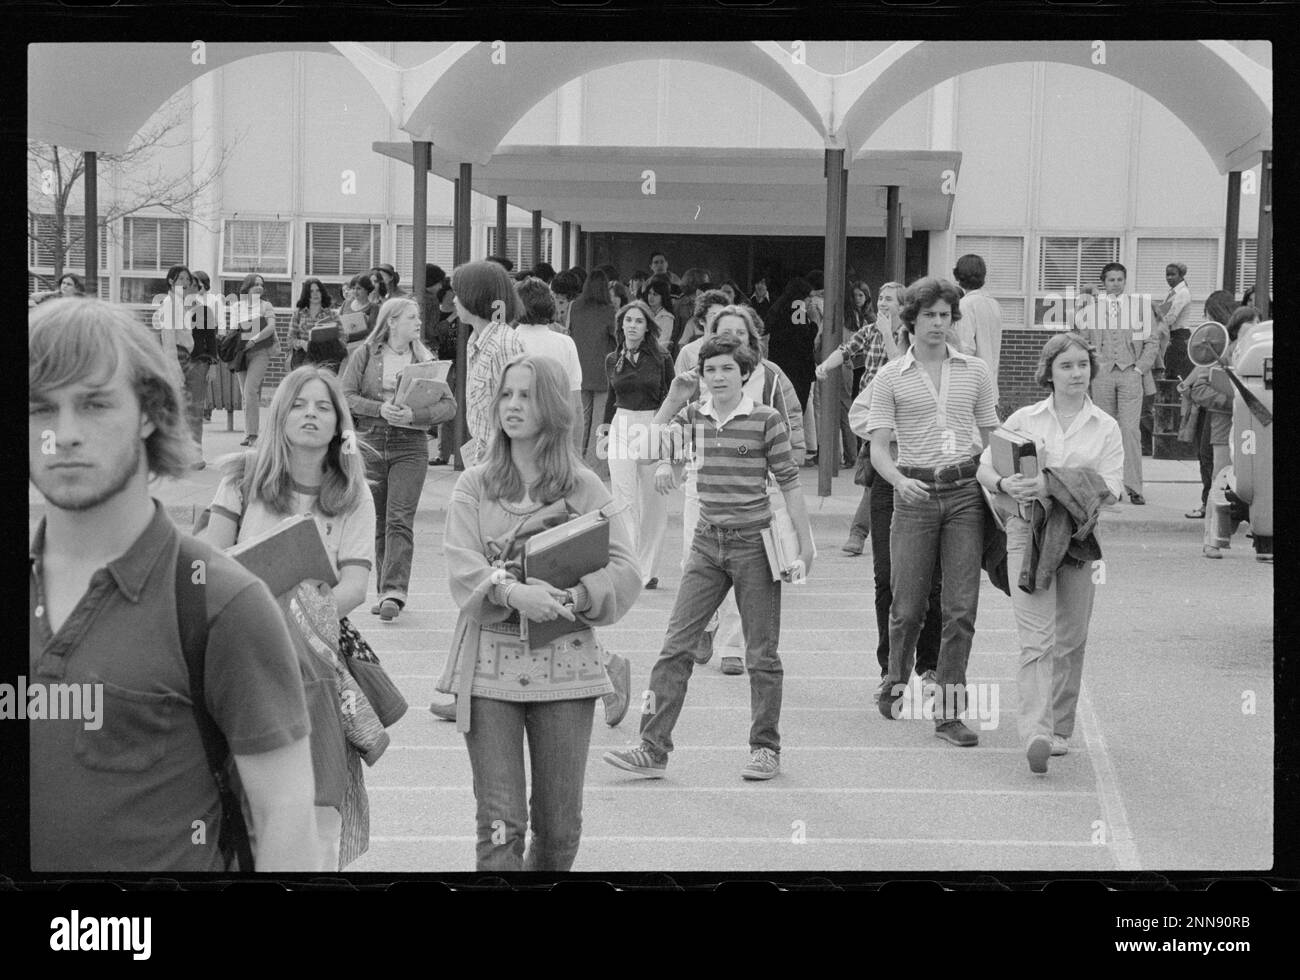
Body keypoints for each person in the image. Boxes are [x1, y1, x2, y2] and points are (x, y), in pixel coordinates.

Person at [29, 298, 317, 871]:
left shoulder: (219, 602)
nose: (64, 434)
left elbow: (286, 817)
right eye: (40, 408)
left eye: (94, 404)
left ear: (148, 411)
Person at [436, 354, 640, 869]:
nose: (512, 405)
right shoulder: (474, 483)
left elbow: (627, 570)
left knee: (559, 830)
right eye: (506, 395)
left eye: (525, 395)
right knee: (500, 826)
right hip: (488, 672)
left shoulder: (584, 485)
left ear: (551, 404)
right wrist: (509, 591)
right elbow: (461, 564)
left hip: (567, 667)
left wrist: (573, 598)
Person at [603, 334, 814, 781]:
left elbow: (791, 483)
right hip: (706, 543)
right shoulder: (693, 417)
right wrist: (673, 401)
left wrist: (806, 544)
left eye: (727, 369)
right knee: (675, 648)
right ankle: (652, 747)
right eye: (710, 370)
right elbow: (639, 451)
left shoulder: (766, 420)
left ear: (746, 373)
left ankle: (765, 748)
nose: (718, 377)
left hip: (755, 545)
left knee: (761, 654)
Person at [201, 365, 381, 867]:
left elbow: (355, 586)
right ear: (280, 415)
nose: (310, 415)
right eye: (299, 404)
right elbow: (209, 560)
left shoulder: (354, 492)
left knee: (316, 793)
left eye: (323, 407)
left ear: (339, 424)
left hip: (314, 658)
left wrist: (304, 614)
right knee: (230, 787)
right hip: (240, 650)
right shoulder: (243, 477)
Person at [976, 333, 1122, 774]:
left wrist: (1054, 483)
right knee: (1036, 640)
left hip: (1077, 538)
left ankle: (1059, 728)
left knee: (1071, 639)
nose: (1077, 373)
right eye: (1067, 366)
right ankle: (1036, 732)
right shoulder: (1025, 418)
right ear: (1050, 373)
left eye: (1082, 365)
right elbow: (985, 466)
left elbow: (1112, 490)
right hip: (1027, 534)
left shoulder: (1106, 427)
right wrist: (1005, 485)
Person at [868, 277, 999, 747]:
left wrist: (1005, 482)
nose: (939, 324)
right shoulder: (890, 377)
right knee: (907, 607)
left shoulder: (975, 371)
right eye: (930, 316)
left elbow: (992, 433)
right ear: (912, 320)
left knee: (960, 608)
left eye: (946, 316)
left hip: (964, 493)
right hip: (914, 494)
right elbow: (879, 447)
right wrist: (900, 480)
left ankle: (948, 713)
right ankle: (895, 680)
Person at [660, 304, 805, 675]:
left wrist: (788, 465)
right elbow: (662, 439)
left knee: (752, 573)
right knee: (696, 560)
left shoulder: (770, 377)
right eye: (723, 332)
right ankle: (706, 624)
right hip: (704, 480)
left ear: (751, 339)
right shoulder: (702, 376)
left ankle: (734, 647)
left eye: (740, 333)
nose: (732, 340)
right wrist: (668, 461)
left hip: (760, 487)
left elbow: (792, 424)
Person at [341, 296, 456, 621]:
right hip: (372, 442)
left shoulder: (426, 359)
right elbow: (346, 395)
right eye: (411, 317)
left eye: (418, 317)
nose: (418, 323)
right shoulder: (365, 353)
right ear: (391, 322)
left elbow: (449, 407)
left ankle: (394, 591)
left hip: (410, 445)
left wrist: (414, 414)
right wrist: (380, 408)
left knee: (399, 519)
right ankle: (384, 590)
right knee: (378, 520)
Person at [816, 280, 898, 555]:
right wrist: (825, 365)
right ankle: (863, 534)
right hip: (872, 412)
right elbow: (846, 349)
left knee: (878, 475)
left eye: (890, 299)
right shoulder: (870, 330)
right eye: (882, 298)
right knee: (877, 474)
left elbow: (900, 366)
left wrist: (888, 333)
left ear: (904, 305)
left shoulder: (909, 334)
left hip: (898, 414)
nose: (884, 303)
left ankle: (859, 534)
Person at [601, 300, 674, 590]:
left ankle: (648, 568)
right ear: (622, 325)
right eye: (628, 320)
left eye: (638, 321)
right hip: (621, 423)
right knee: (622, 497)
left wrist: (666, 435)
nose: (632, 325)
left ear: (647, 327)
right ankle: (627, 566)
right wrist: (603, 431)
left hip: (652, 422)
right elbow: (610, 396)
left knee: (652, 500)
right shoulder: (612, 358)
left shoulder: (661, 357)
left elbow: (671, 396)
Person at [1071, 262, 1156, 505]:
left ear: (1125, 281)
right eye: (1111, 280)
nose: (1116, 284)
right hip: (1103, 374)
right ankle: (1108, 487)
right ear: (1104, 283)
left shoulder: (1138, 308)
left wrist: (1140, 368)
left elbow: (1152, 340)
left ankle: (1134, 487)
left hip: (1130, 372)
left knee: (1130, 430)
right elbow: (1081, 339)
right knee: (1104, 431)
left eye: (1120, 279)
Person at [1191, 305, 1258, 557]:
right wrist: (1230, 402)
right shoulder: (1221, 355)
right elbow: (1198, 389)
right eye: (1247, 329)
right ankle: (1212, 539)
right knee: (1220, 484)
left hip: (1256, 429)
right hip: (1225, 426)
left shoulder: (1261, 355)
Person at [451, 259, 527, 467]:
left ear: (475, 296)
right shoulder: (476, 340)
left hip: (503, 463)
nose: (454, 301)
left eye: (458, 294)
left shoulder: (503, 344)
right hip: (483, 458)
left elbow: (518, 411)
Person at [151, 265, 210, 469]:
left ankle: (192, 454)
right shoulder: (169, 303)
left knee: (192, 407)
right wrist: (174, 367)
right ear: (171, 281)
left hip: (187, 354)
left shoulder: (182, 303)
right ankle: (185, 455)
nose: (184, 283)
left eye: (187, 279)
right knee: (183, 408)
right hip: (178, 356)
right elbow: (168, 339)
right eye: (180, 279)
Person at [513, 277, 584, 443]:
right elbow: (576, 406)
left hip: (517, 434)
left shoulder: (507, 341)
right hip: (556, 433)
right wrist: (576, 454)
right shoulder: (565, 343)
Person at [567, 267, 617, 469]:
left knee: (581, 420)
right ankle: (595, 468)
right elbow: (615, 339)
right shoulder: (610, 311)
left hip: (579, 370)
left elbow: (570, 331)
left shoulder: (574, 306)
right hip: (603, 373)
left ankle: (575, 463)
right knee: (599, 422)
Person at [230, 273, 279, 447]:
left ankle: (253, 435)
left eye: (261, 284)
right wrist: (249, 331)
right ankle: (248, 433)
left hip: (260, 351)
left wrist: (254, 339)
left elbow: (271, 327)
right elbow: (235, 328)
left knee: (250, 390)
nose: (259, 287)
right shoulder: (237, 306)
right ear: (247, 287)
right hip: (242, 352)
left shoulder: (266, 305)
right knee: (246, 394)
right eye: (255, 284)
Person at [953, 253, 1005, 405]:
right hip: (990, 384)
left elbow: (965, 348)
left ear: (958, 276)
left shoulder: (965, 305)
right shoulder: (994, 304)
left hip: (970, 388)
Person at [764, 276, 817, 414]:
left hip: (781, 366)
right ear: (801, 296)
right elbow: (803, 337)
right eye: (809, 297)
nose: (811, 301)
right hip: (797, 370)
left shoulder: (779, 305)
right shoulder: (797, 306)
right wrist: (814, 323)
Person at [427, 282, 463, 466]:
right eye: (451, 292)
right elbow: (437, 331)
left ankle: (462, 452)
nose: (454, 296)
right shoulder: (438, 313)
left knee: (462, 407)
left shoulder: (465, 313)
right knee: (445, 405)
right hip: (445, 363)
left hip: (462, 363)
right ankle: (443, 452)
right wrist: (454, 315)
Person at [289, 277, 344, 373]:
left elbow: (343, 337)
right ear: (306, 294)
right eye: (311, 291)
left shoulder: (332, 315)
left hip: (326, 357)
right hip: (304, 356)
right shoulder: (298, 314)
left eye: (318, 290)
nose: (315, 294)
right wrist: (302, 343)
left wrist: (332, 346)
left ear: (322, 293)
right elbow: (291, 339)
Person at [189, 270, 222, 427]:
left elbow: (218, 320)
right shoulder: (188, 300)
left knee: (204, 381)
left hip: (208, 334)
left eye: (199, 284)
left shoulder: (213, 300)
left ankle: (206, 410)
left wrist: (219, 334)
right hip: (192, 339)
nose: (198, 288)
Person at [1156, 262, 1195, 380]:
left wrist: (1155, 328)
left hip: (1179, 337)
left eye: (1173, 274)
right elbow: (1162, 311)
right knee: (1169, 372)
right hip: (1171, 336)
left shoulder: (1183, 293)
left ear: (1181, 275)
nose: (1169, 278)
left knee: (1174, 375)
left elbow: (1171, 317)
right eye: (1167, 274)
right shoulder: (1172, 292)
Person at [642, 276, 676, 351]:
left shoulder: (667, 317)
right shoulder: (642, 312)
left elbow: (663, 343)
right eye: (649, 293)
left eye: (655, 294)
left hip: (655, 355)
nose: (651, 297)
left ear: (662, 297)